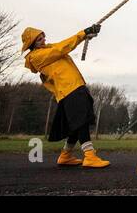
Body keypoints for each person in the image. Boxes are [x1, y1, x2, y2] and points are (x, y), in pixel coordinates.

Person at [22, 24, 110, 168]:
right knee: (81, 121)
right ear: (31, 44)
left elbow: (65, 43)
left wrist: (86, 35)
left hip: (73, 87)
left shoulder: (47, 48)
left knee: (75, 124)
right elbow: (62, 48)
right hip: (69, 89)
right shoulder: (36, 56)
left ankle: (65, 156)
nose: (43, 40)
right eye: (39, 39)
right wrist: (83, 33)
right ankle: (89, 156)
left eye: (42, 37)